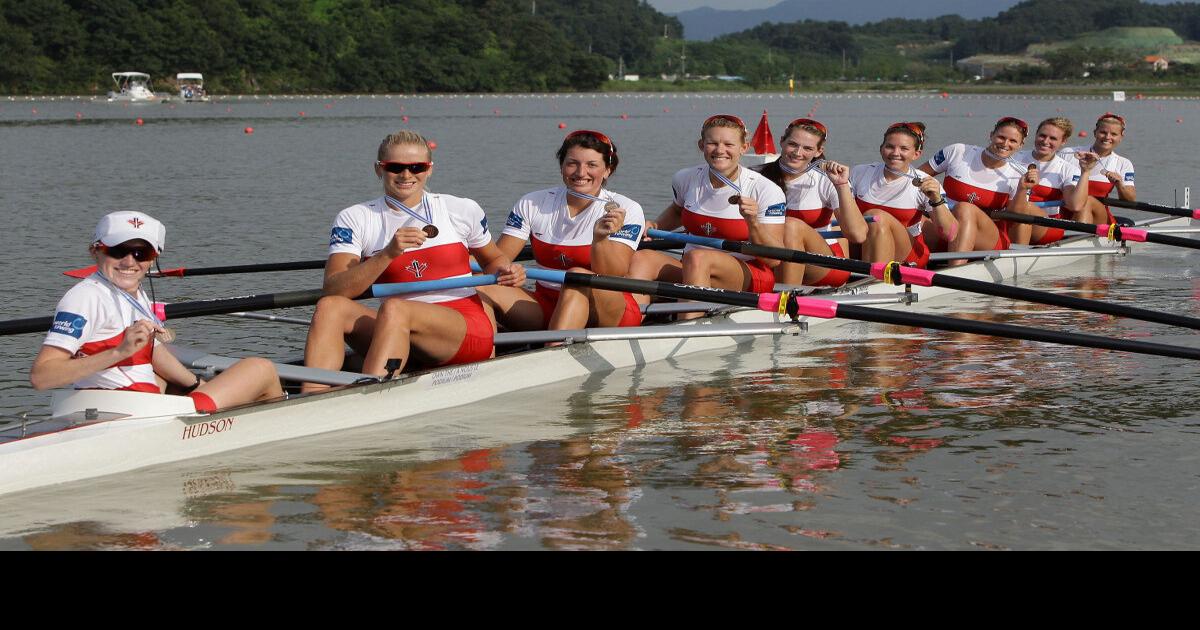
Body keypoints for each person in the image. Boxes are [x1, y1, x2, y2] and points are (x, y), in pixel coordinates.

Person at [303, 131, 525, 389]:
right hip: (396, 324)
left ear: (429, 169)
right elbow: (334, 288)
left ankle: (370, 396)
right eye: (395, 167)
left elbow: (493, 260)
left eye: (416, 167)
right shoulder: (355, 217)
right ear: (379, 169)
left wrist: (508, 270)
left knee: (395, 308)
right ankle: (312, 396)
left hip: (463, 328)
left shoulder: (460, 209)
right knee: (330, 307)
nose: (406, 175)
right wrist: (387, 254)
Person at [30, 211, 283, 411]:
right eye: (117, 251)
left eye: (141, 253)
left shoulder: (132, 291)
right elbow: (42, 377)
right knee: (261, 369)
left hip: (133, 404)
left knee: (169, 380)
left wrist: (197, 384)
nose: (129, 262)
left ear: (153, 258)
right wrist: (119, 352)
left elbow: (153, 350)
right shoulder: (86, 297)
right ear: (95, 251)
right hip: (130, 413)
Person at [477, 130, 647, 331]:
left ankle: (555, 346)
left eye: (592, 165)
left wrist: (600, 239)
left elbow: (613, 275)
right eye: (572, 163)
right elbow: (496, 260)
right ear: (562, 167)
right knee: (480, 285)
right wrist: (508, 271)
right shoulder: (532, 203)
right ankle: (485, 347)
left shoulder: (626, 209)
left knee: (576, 277)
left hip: (607, 310)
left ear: (607, 170)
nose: (581, 173)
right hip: (548, 304)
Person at [628, 114, 786, 315]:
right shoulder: (685, 178)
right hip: (692, 267)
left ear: (744, 148)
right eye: (712, 143)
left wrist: (753, 222)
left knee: (698, 257)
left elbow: (774, 260)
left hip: (749, 273)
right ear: (701, 145)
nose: (720, 150)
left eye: (729, 144)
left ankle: (686, 325)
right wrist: (655, 226)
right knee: (641, 258)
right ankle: (634, 319)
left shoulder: (765, 190)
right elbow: (677, 210)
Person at [753, 117, 870, 286]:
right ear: (782, 141)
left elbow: (857, 235)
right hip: (769, 255)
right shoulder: (754, 175)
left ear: (818, 151)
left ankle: (784, 296)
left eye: (807, 148)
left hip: (824, 264)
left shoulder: (826, 180)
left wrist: (841, 185)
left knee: (790, 226)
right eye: (793, 144)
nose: (797, 152)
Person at [919, 116, 1030, 264]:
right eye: (1001, 137)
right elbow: (916, 178)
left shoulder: (1021, 174)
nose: (1005, 144)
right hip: (947, 229)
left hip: (988, 239)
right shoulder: (957, 151)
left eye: (1013, 141)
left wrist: (1023, 189)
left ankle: (955, 271)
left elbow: (1017, 219)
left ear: (1020, 145)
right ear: (991, 135)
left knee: (965, 208)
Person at [849, 122, 953, 268]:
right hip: (864, 244)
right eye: (890, 147)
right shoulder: (859, 172)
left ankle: (875, 277)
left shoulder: (927, 182)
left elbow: (950, 235)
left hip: (908, 254)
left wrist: (937, 200)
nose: (895, 153)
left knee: (876, 217)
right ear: (881, 149)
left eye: (904, 148)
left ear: (916, 154)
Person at [1008, 117, 1099, 245]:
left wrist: (1085, 171)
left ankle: (1015, 252)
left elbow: (1075, 205)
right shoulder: (1013, 158)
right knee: (1020, 210)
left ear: (1063, 141)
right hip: (1011, 217)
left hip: (1048, 226)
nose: (1045, 141)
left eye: (1053, 138)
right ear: (1036, 135)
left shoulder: (1066, 169)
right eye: (1042, 135)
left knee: (1024, 207)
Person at [1059, 112, 1135, 224]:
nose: (1107, 137)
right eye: (1103, 132)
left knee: (1086, 201)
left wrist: (1119, 185)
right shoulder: (1068, 153)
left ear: (1120, 137)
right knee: (1084, 201)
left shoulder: (1123, 163)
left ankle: (1076, 232)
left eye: (1114, 134)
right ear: (1095, 133)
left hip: (1099, 217)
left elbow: (1130, 200)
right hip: (1064, 212)